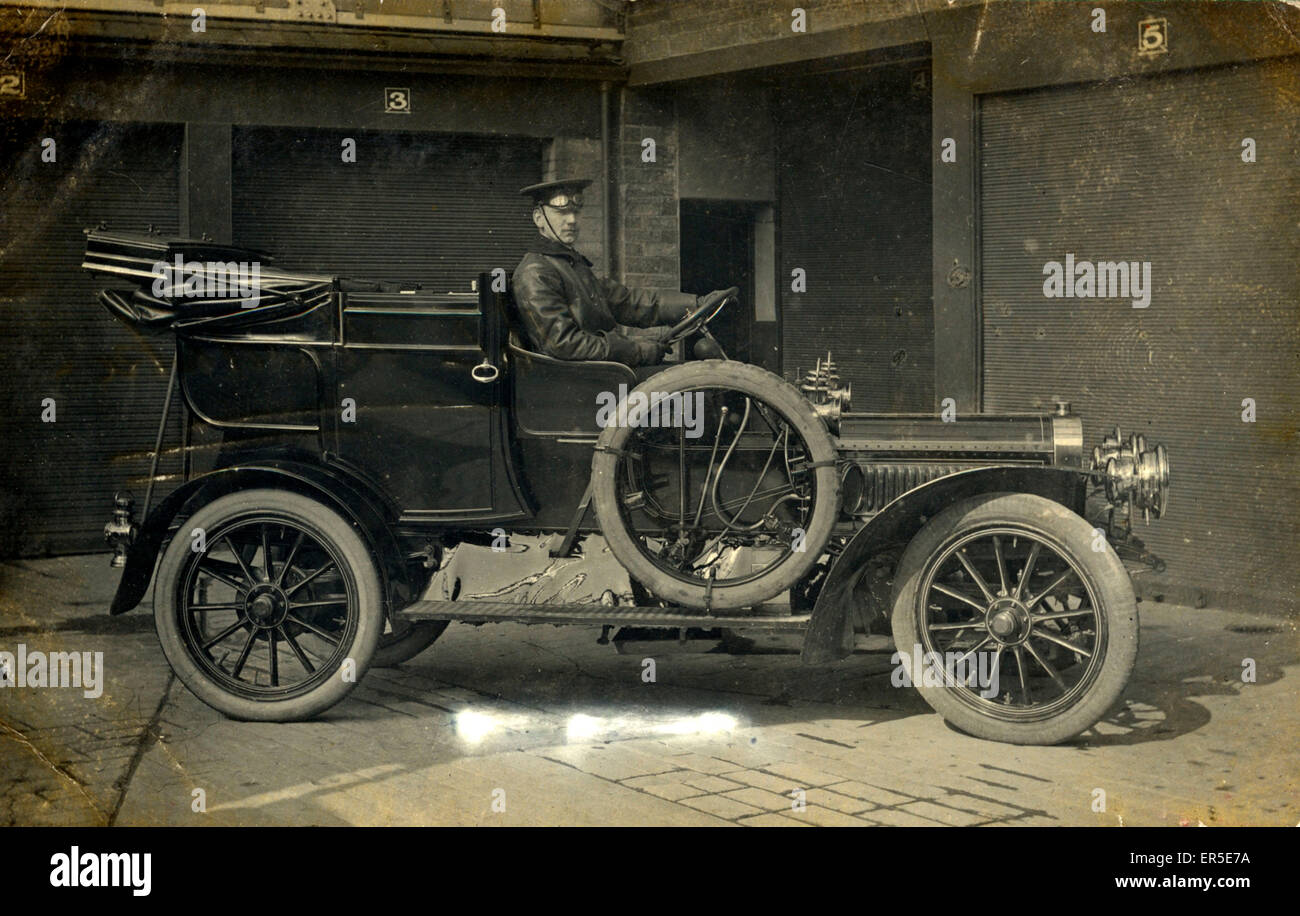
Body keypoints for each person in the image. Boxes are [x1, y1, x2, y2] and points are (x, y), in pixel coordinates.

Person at [511, 178, 729, 368]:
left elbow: (628, 302)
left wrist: (694, 303)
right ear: (538, 218)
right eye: (561, 212)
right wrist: (637, 351)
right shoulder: (536, 272)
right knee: (694, 384)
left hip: (599, 372)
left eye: (576, 211)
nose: (572, 220)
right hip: (583, 378)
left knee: (696, 375)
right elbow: (563, 344)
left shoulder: (570, 264)